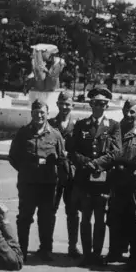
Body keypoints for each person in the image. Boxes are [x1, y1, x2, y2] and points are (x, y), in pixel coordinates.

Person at [8, 100, 69, 261]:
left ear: (47, 114)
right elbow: (13, 157)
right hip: (27, 184)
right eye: (36, 113)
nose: (39, 116)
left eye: (42, 112)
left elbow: (62, 158)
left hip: (48, 185)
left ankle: (45, 249)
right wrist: (26, 170)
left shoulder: (55, 135)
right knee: (24, 218)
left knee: (46, 218)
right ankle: (22, 250)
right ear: (31, 114)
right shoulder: (23, 133)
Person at [70, 88, 122, 267]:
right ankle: (86, 254)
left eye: (102, 104)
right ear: (90, 104)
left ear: (107, 105)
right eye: (95, 103)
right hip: (85, 178)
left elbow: (116, 152)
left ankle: (97, 253)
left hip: (102, 180)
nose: (98, 107)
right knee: (85, 218)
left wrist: (97, 164)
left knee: (100, 218)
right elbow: (73, 150)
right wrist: (87, 163)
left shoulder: (114, 125)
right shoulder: (81, 125)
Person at [106, 99, 136, 264]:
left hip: (133, 181)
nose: (129, 115)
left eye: (133, 112)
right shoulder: (114, 129)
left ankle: (135, 256)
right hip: (116, 179)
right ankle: (114, 251)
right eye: (127, 110)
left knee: (135, 219)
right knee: (114, 217)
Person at [48, 91, 80, 258]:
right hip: (54, 173)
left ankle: (73, 246)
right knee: (50, 210)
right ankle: (47, 245)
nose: (65, 107)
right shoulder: (50, 123)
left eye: (68, 104)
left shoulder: (78, 125)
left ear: (72, 105)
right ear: (58, 104)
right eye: (62, 103)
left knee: (73, 211)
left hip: (71, 175)